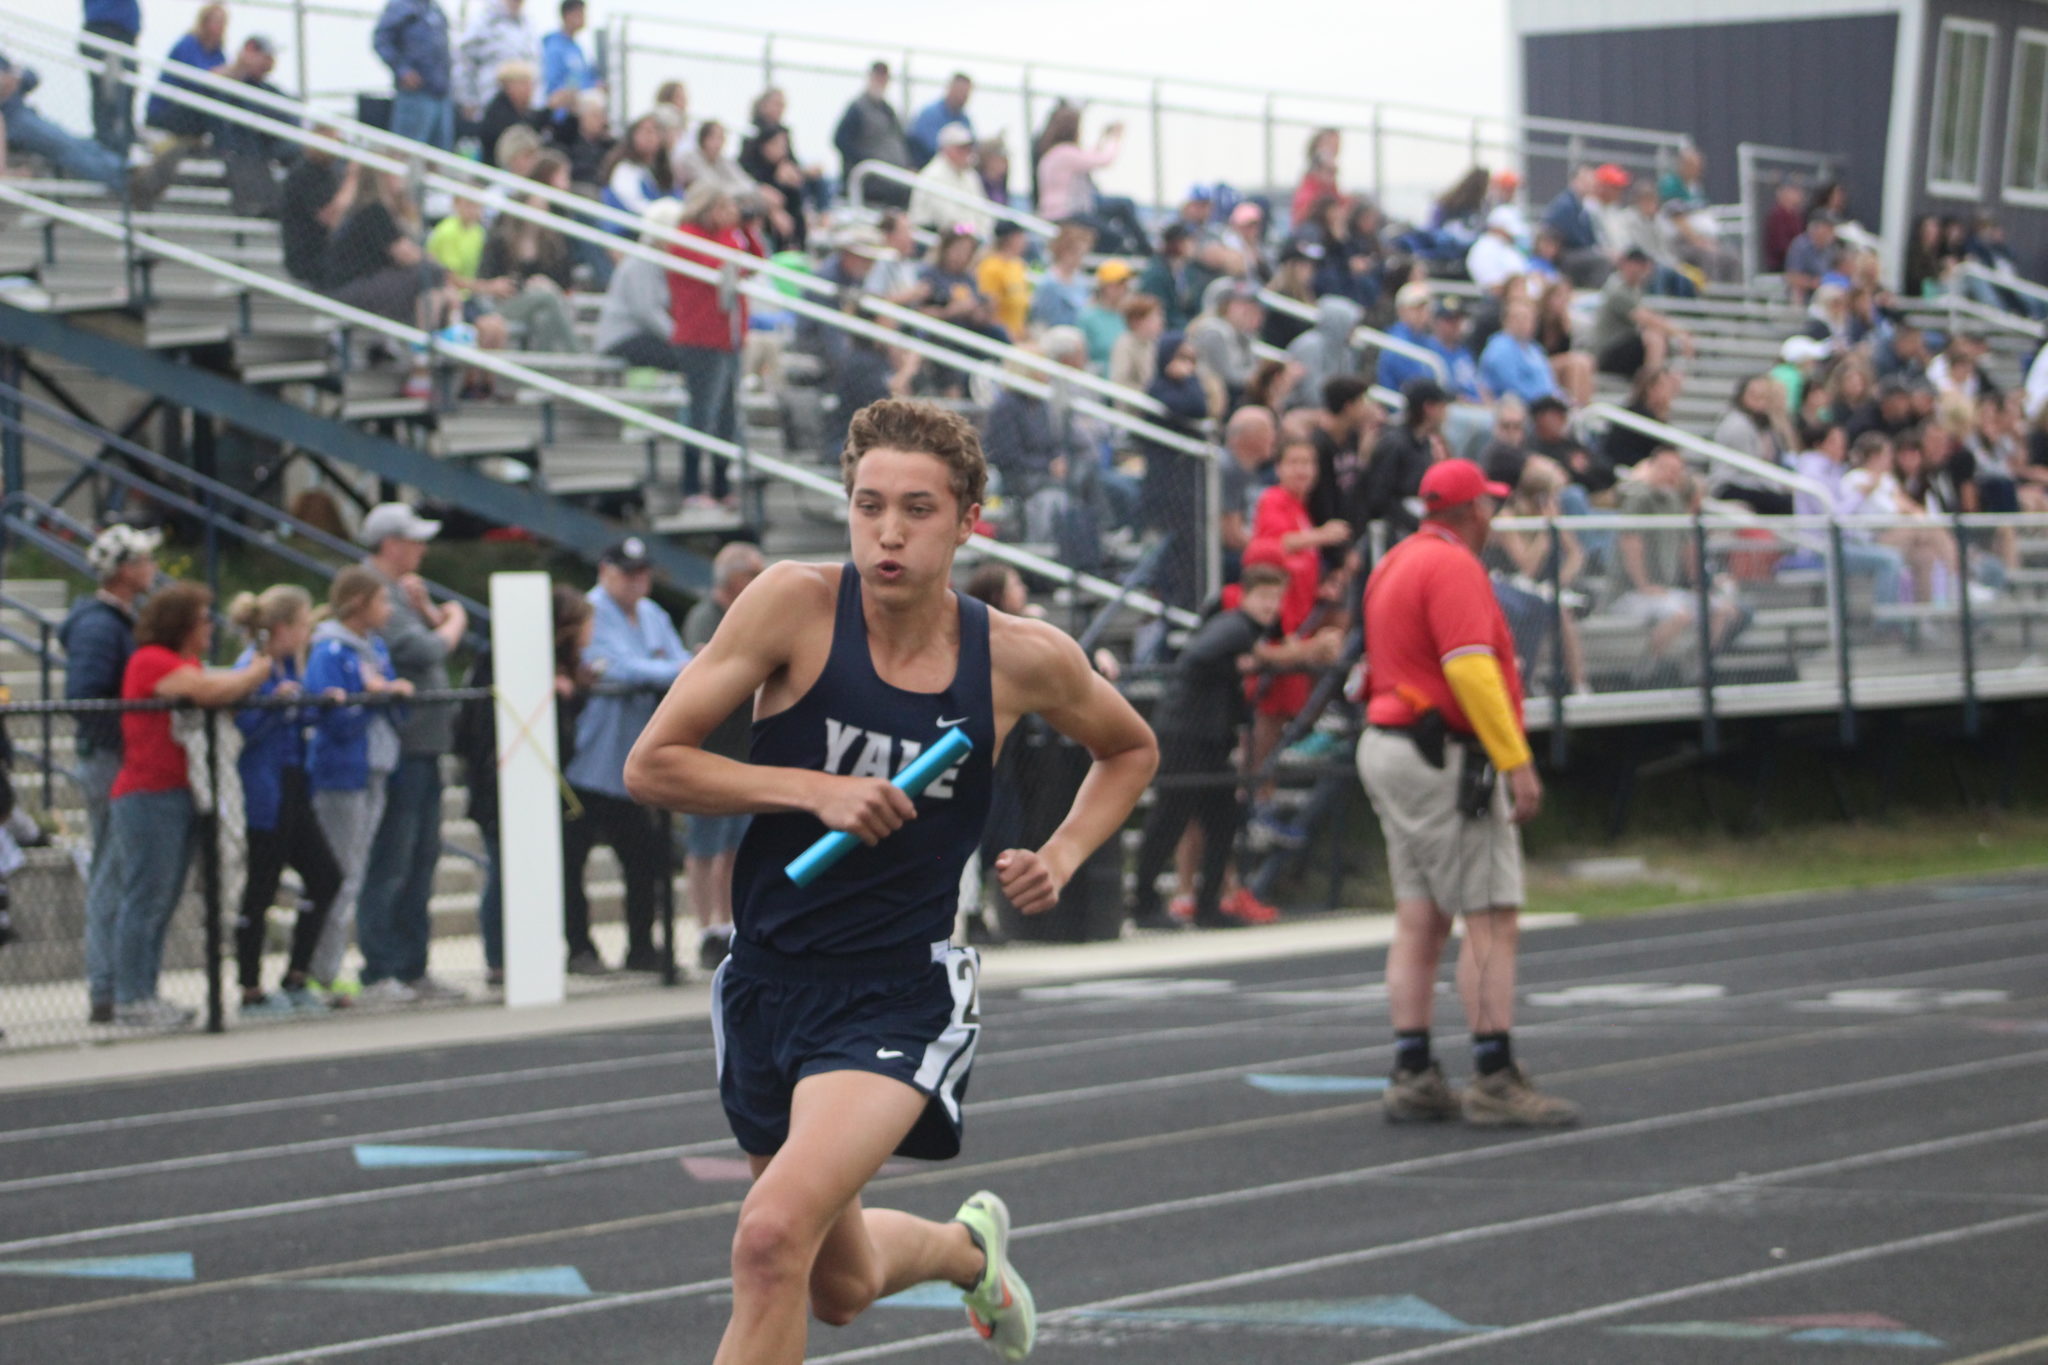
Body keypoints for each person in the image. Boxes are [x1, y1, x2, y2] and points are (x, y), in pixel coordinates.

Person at [623, 397, 1158, 1364]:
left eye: (917, 509)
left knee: (769, 1236)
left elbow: (1128, 747)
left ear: (966, 520)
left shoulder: (1020, 658)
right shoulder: (791, 603)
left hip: (897, 991)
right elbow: (653, 764)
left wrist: (1065, 853)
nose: (889, 532)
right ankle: (968, 1251)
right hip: (766, 980)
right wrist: (817, 789)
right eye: (869, 506)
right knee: (839, 1284)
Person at [1356, 458, 1577, 1127]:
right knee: (1490, 914)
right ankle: (1493, 1071)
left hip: (1391, 743)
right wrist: (1516, 759)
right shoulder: (1453, 566)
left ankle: (1414, 1065)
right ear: (1475, 511)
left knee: (1421, 915)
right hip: (1440, 754)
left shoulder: (1398, 558)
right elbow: (1470, 668)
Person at [108, 583, 274, 1028]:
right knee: (146, 895)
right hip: (148, 793)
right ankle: (129, 996)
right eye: (202, 619)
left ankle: (146, 991)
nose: (209, 627)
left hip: (182, 791)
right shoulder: (151, 661)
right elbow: (206, 692)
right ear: (180, 623)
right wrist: (256, 672)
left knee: (163, 900)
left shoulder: (188, 662)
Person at [1128, 564, 1326, 931]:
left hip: (1211, 738)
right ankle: (1144, 904)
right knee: (1170, 817)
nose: (1270, 606)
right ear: (1246, 596)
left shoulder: (1247, 632)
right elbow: (1199, 657)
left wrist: (1248, 662)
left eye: (1276, 598)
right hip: (1187, 734)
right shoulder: (1233, 627)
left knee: (1222, 820)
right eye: (1264, 597)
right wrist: (1255, 659)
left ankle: (1208, 905)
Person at [354, 503, 468, 1005]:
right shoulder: (371, 591)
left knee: (421, 859)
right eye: (413, 540)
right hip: (400, 748)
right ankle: (382, 967)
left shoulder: (402, 592)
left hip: (424, 745)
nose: (421, 548)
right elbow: (421, 651)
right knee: (393, 860)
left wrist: (427, 612)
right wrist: (452, 622)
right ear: (390, 544)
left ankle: (412, 966)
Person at [559, 538, 689, 973]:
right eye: (629, 572)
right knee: (571, 861)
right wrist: (669, 669)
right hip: (587, 761)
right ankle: (578, 948)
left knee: (644, 859)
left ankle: (642, 947)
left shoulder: (653, 614)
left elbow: (676, 662)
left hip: (635, 761)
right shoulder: (588, 610)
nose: (639, 581)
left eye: (644, 572)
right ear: (606, 572)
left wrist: (665, 668)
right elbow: (614, 667)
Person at [228, 586, 342, 1016]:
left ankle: (297, 974)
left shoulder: (289, 665)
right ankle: (249, 988)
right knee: (261, 886)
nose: (307, 633)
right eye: (302, 625)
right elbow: (243, 724)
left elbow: (298, 717)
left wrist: (320, 704)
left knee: (325, 875)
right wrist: (270, 706)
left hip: (295, 784)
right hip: (265, 790)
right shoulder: (253, 668)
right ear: (283, 628)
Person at [62, 524, 159, 1026]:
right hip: (110, 762)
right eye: (143, 560)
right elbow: (87, 696)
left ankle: (119, 984)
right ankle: (108, 985)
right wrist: (125, 744)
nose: (152, 569)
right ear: (124, 569)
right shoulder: (100, 626)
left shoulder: (119, 620)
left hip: (117, 757)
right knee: (113, 869)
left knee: (123, 868)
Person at [305, 565, 412, 999]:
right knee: (341, 873)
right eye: (382, 600)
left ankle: (330, 967)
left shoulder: (375, 647)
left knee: (358, 869)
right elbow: (331, 719)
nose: (389, 609)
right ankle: (320, 971)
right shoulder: (329, 650)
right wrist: (372, 695)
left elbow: (393, 710)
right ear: (359, 604)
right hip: (342, 772)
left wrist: (386, 694)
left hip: (377, 764)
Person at [680, 541, 766, 972]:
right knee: (706, 847)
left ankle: (730, 923)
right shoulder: (706, 617)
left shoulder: (747, 617)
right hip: (711, 748)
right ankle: (706, 927)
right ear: (736, 581)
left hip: (742, 748)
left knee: (735, 848)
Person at [668, 181, 766, 506]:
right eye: (724, 208)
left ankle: (722, 485)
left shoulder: (724, 236)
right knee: (702, 414)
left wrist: (748, 230)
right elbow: (722, 264)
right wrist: (731, 231)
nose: (731, 215)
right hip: (700, 339)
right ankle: (692, 487)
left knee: (726, 415)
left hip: (729, 338)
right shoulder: (687, 236)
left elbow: (753, 264)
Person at [0, 47, 129, 191]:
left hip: (20, 114)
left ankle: (127, 169)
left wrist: (15, 77)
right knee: (63, 145)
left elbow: (31, 77)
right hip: (10, 121)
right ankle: (124, 180)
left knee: (81, 143)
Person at [1349, 377, 1452, 542]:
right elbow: (1379, 498)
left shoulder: (1424, 443)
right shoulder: (1394, 443)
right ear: (1429, 408)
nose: (1446, 413)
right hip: (1390, 534)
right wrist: (1418, 523)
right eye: (1442, 406)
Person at [1591, 247, 1691, 377]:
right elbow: (1645, 318)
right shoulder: (1617, 289)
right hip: (1608, 351)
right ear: (1628, 264)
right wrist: (1679, 333)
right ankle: (1653, 381)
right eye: (1641, 265)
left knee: (1659, 338)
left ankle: (1661, 380)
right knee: (1653, 337)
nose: (1645, 271)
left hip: (1623, 350)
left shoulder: (1634, 290)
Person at [373, 0, 455, 151]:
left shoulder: (434, 8)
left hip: (441, 93)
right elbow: (381, 41)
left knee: (440, 153)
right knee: (407, 152)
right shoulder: (401, 6)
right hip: (416, 94)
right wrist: (403, 71)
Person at [144, 3, 227, 139]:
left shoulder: (218, 53)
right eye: (217, 21)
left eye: (223, 22)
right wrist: (236, 69)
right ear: (204, 21)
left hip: (191, 110)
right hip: (168, 110)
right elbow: (199, 81)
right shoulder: (188, 44)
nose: (221, 27)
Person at [453, 0, 537, 129]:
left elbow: (536, 68)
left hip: (518, 109)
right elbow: (465, 60)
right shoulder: (485, 20)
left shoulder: (528, 26)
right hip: (487, 102)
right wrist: (467, 98)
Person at [833, 60, 911, 193]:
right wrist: (865, 160)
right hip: (872, 178)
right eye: (878, 77)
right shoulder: (857, 108)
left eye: (884, 78)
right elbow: (840, 140)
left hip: (892, 174)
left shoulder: (888, 110)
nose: (881, 82)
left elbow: (900, 140)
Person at [910, 122, 992, 235]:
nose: (966, 153)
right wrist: (971, 232)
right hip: (937, 237)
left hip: (967, 238)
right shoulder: (933, 175)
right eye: (961, 149)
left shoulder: (970, 175)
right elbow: (946, 220)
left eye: (968, 148)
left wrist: (980, 233)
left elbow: (983, 212)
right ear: (946, 149)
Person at [1479, 295, 1562, 405]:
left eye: (1529, 318)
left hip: (1545, 404)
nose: (1525, 323)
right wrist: (1548, 401)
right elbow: (1513, 387)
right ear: (1506, 320)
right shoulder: (1500, 349)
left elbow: (1549, 383)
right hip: (1514, 406)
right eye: (1519, 318)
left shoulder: (1535, 349)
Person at [475, 59, 545, 167]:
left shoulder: (524, 112)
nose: (530, 89)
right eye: (525, 84)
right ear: (510, 86)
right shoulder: (498, 114)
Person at [538, 0, 597, 125]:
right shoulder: (553, 46)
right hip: (560, 117)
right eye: (580, 13)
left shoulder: (578, 49)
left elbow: (585, 78)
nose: (583, 18)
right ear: (567, 15)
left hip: (577, 114)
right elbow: (551, 81)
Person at [976, 221, 1033, 340]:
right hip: (1000, 335)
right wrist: (1005, 335)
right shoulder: (991, 266)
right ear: (1010, 239)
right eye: (1020, 237)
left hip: (1017, 334)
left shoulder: (1018, 265)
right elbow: (988, 306)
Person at [908, 71, 974, 166]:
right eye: (961, 91)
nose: (963, 96)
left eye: (966, 93)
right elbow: (927, 147)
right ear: (950, 88)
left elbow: (972, 147)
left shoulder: (965, 120)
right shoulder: (929, 114)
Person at [1292, 128, 1341, 228]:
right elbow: (1304, 212)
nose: (1335, 148)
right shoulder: (1310, 184)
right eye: (1330, 143)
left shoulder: (1330, 186)